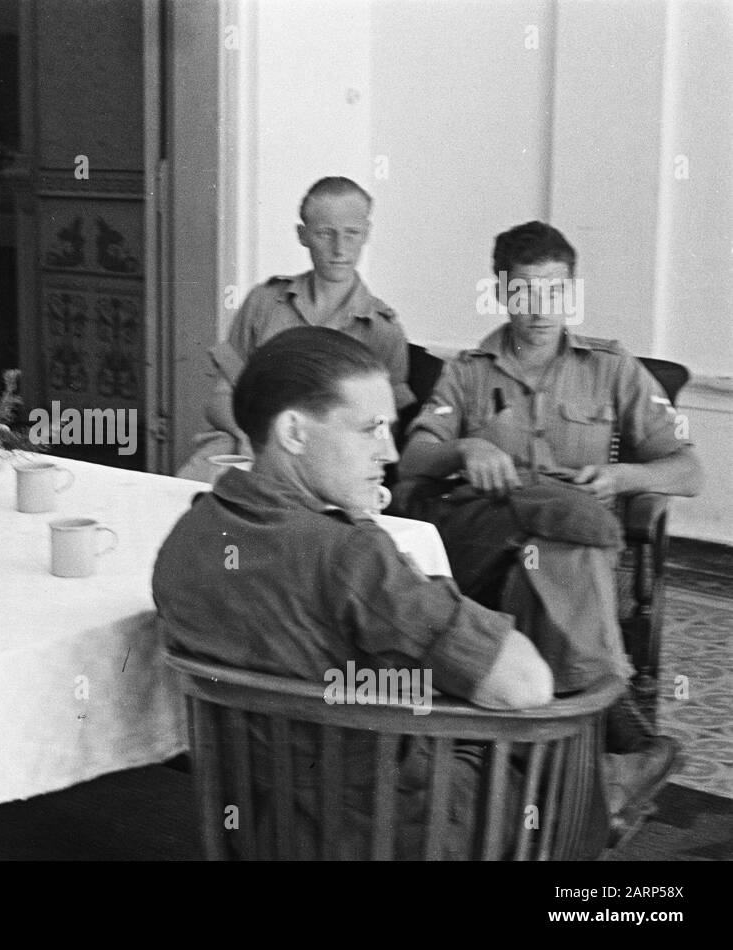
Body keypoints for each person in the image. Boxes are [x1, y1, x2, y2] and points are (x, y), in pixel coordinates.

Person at [153, 327, 670, 857]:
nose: (389, 450)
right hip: (396, 833)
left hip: (261, 831)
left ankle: (607, 784)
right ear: (293, 431)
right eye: (369, 429)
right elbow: (526, 687)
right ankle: (603, 791)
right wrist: (413, 580)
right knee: (561, 731)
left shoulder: (184, 540)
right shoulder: (351, 556)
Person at [397, 221, 702, 823]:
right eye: (524, 293)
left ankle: (577, 775)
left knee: (566, 546)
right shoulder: (468, 372)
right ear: (501, 292)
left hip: (574, 547)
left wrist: (623, 479)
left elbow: (687, 470)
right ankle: (619, 738)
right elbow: (410, 460)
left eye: (555, 293)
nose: (540, 310)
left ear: (572, 292)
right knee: (561, 543)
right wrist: (463, 450)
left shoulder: (611, 369)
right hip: (490, 545)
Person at [178, 177, 411, 481]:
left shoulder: (382, 329)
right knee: (197, 488)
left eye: (352, 234)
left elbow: (382, 427)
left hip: (330, 457)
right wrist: (248, 434)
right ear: (303, 235)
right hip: (247, 438)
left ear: (366, 234)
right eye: (325, 233)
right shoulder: (265, 303)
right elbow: (220, 398)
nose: (340, 248)